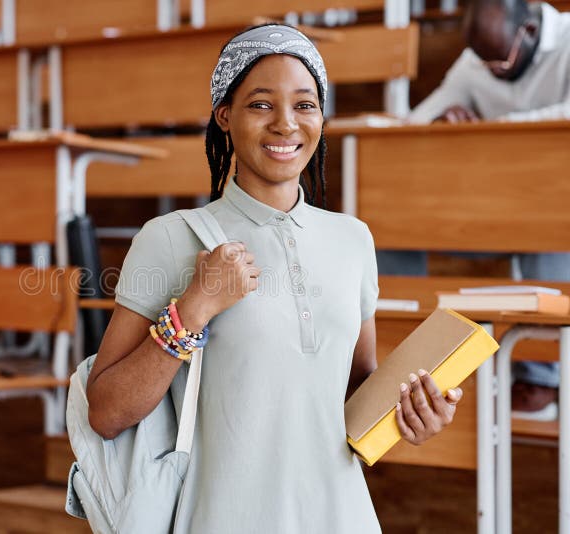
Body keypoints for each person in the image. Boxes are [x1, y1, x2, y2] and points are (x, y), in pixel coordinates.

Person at [86, 24, 463, 533]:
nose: (286, 124)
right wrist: (195, 307)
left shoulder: (353, 240)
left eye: (305, 105)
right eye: (262, 104)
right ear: (225, 115)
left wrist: (416, 418)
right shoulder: (170, 239)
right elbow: (105, 413)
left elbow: (353, 395)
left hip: (342, 517)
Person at [385, 0, 570, 420]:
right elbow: (421, 117)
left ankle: (541, 379)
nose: (492, 70)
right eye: (484, 63)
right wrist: (444, 120)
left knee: (555, 222)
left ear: (527, 30)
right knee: (392, 227)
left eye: (499, 62)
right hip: (493, 205)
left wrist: (493, 129)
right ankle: (398, 367)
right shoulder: (478, 59)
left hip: (556, 207)